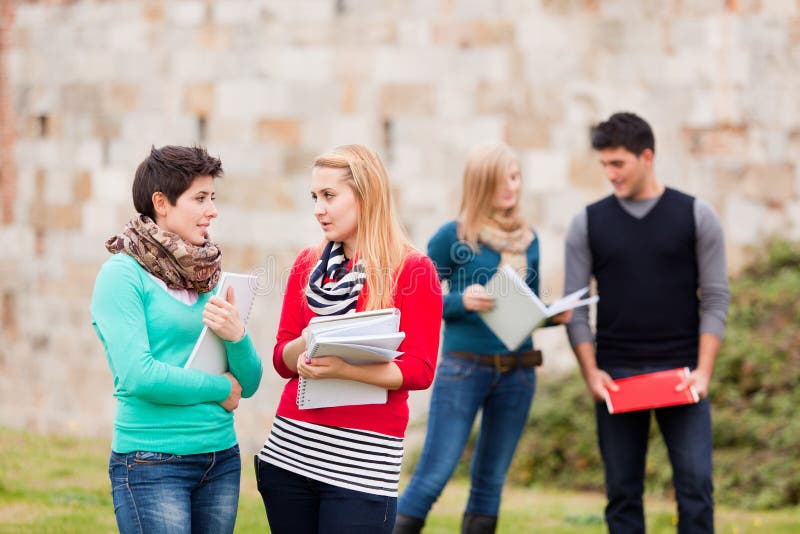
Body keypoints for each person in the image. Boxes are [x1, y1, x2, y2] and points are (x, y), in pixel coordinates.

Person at [255, 144, 443, 534]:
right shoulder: (307, 264)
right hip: (290, 455)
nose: (318, 209)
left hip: (363, 467)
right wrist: (305, 344)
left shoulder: (414, 270)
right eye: (314, 197)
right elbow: (280, 358)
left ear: (366, 195)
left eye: (329, 196)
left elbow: (420, 370)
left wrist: (344, 369)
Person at [394, 142, 572, 534]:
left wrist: (553, 317)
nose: (512, 186)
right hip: (464, 370)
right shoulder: (453, 237)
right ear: (480, 184)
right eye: (501, 178)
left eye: (516, 176)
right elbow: (414, 298)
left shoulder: (530, 240)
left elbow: (524, 308)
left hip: (518, 373)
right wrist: (461, 301)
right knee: (434, 476)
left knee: (490, 485)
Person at [564, 112, 730, 533]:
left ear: (647, 157)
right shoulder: (587, 223)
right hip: (617, 374)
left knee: (696, 490)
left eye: (617, 164)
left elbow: (714, 298)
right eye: (603, 164)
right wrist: (591, 372)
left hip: (682, 374)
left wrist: (704, 371)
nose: (609, 174)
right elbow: (575, 308)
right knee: (622, 495)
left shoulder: (696, 215)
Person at [91, 145, 263, 534]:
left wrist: (237, 337)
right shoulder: (122, 276)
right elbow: (139, 375)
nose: (212, 210)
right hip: (151, 461)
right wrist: (219, 386)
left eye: (213, 198)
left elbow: (249, 384)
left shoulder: (211, 276)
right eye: (200, 199)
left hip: (220, 458)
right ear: (161, 203)